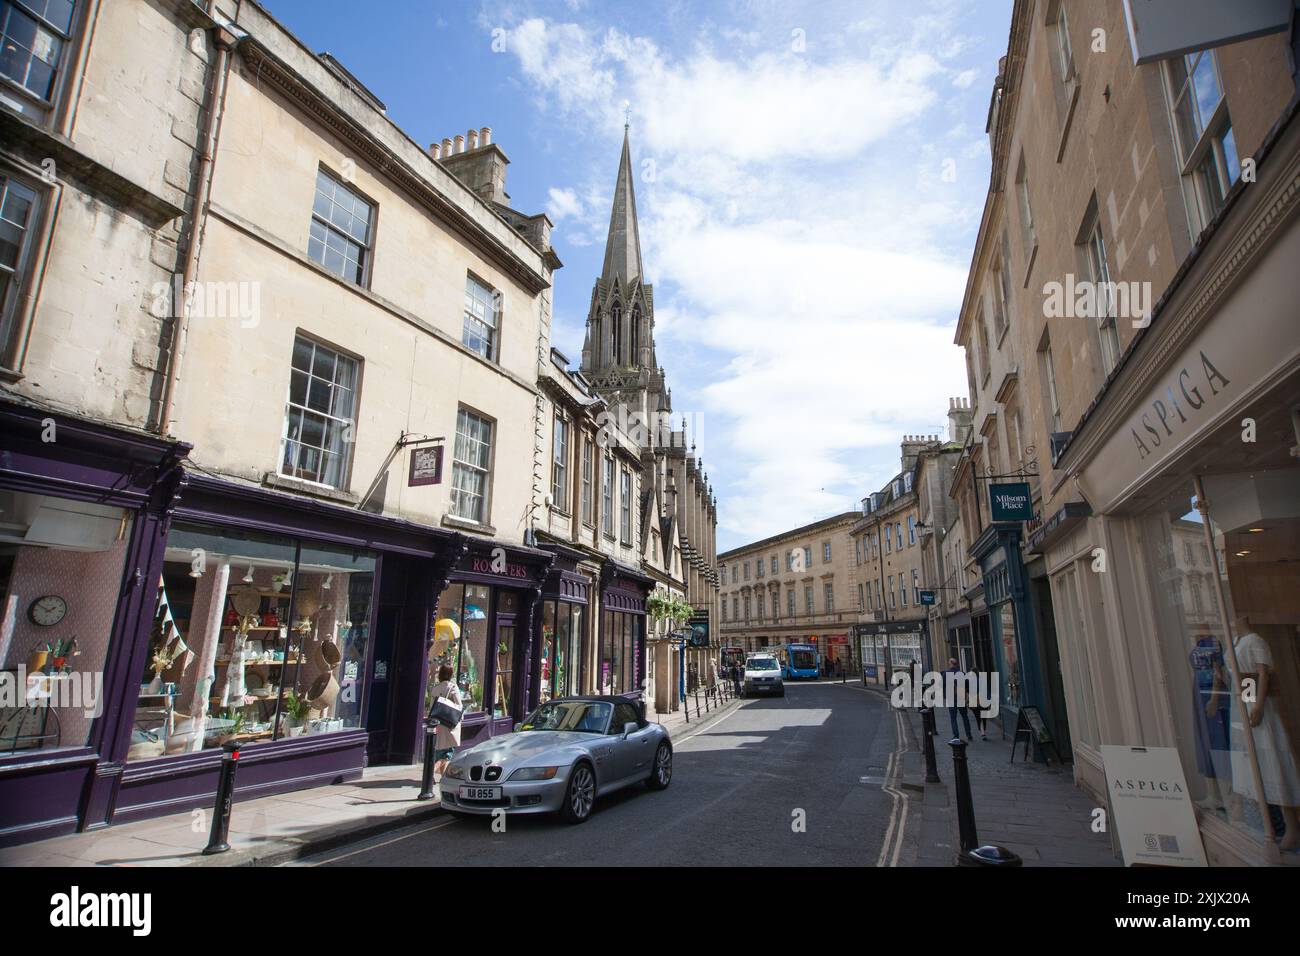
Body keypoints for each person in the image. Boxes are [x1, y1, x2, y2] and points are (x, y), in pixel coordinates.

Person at [428, 663, 462, 777]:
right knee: (447, 754)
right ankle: (429, 774)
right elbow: (459, 706)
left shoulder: (435, 688)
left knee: (439, 751)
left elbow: (432, 707)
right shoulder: (452, 687)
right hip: (449, 723)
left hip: (438, 723)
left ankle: (442, 777)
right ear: (451, 674)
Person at [944, 657, 973, 742]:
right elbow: (967, 686)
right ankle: (969, 734)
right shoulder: (962, 673)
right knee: (965, 717)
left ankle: (956, 736)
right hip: (961, 697)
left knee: (953, 718)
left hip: (951, 698)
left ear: (951, 664)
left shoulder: (946, 673)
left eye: (949, 663)